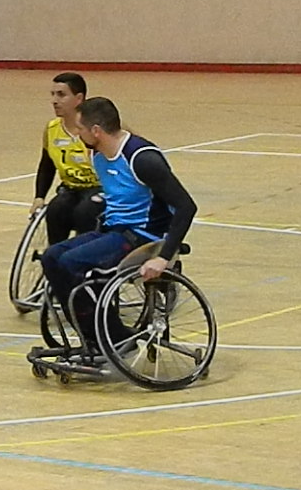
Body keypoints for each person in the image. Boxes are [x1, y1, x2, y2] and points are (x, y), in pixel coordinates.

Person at [41, 96, 197, 346]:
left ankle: (112, 336)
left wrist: (163, 256)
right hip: (116, 231)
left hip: (145, 237)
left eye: (80, 129)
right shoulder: (99, 155)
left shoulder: (142, 158)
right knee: (51, 257)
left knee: (71, 263)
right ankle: (92, 331)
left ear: (96, 131)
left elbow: (186, 207)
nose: (76, 133)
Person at [30, 72, 104, 243]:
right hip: (71, 188)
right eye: (53, 94)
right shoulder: (52, 128)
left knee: (85, 211)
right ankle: (56, 257)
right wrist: (39, 197)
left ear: (79, 98)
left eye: (61, 95)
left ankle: (83, 258)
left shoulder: (97, 128)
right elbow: (47, 165)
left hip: (100, 188)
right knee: (56, 209)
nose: (54, 100)